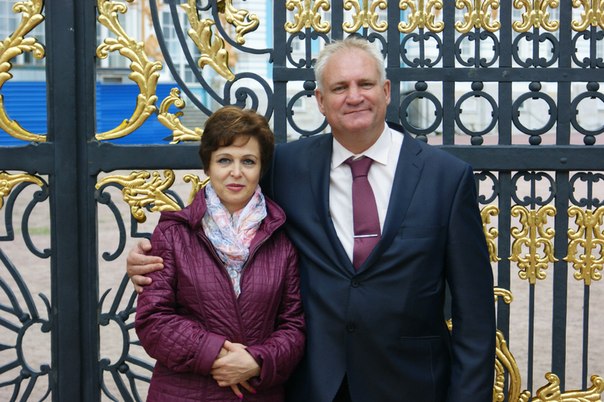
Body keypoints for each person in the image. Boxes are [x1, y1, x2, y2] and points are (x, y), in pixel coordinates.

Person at [129, 37, 496, 401]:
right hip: (314, 383)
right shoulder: (285, 168)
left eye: (365, 84)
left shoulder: (446, 178)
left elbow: (475, 313)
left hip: (411, 384)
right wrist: (149, 256)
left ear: (386, 91)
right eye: (339, 87)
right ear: (321, 100)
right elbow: (223, 211)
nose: (354, 96)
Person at [134, 106, 305, 402]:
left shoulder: (281, 239)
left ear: (261, 168)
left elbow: (294, 327)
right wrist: (213, 352)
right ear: (208, 166)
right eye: (225, 160)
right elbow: (153, 320)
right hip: (184, 393)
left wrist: (258, 361)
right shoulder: (173, 233)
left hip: (257, 393)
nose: (236, 172)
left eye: (248, 161)